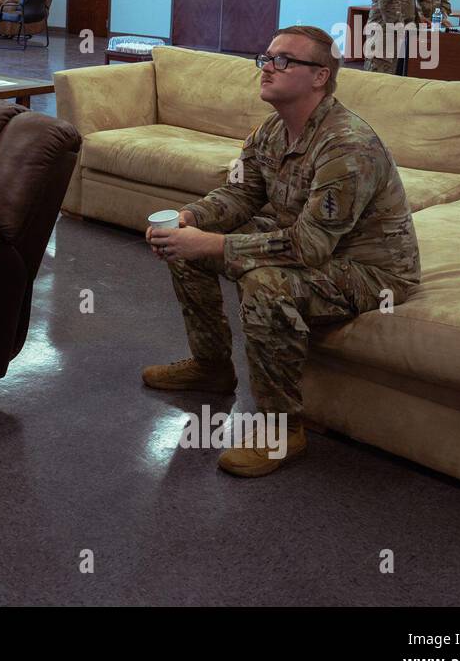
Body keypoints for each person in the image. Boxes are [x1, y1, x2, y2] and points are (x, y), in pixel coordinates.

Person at [142, 25, 420, 478]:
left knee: (265, 283)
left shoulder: (347, 144)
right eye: (266, 57)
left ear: (319, 77)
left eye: (284, 60)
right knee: (184, 248)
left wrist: (213, 242)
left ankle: (283, 430)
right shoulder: (271, 130)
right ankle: (212, 367)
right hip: (311, 245)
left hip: (372, 270)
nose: (267, 67)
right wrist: (190, 219)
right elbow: (240, 195)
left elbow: (309, 247)